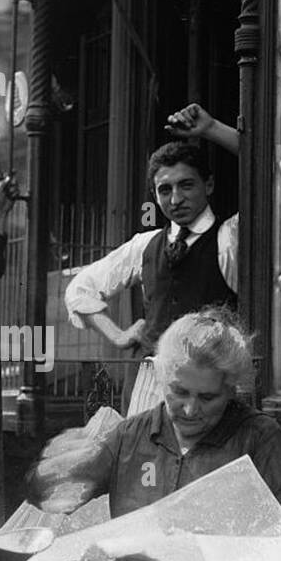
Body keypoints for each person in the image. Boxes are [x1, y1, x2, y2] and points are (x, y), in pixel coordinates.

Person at [27, 307, 281, 561]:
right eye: (179, 392)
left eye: (207, 397)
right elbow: (47, 495)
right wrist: (50, 471)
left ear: (232, 389)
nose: (189, 410)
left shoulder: (259, 438)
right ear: (161, 377)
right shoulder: (130, 435)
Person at [64, 126, 238, 415]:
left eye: (186, 185)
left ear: (208, 185)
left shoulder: (230, 237)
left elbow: (269, 165)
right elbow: (80, 288)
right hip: (150, 384)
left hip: (209, 386)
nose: (175, 199)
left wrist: (211, 128)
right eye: (164, 190)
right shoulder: (144, 245)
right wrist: (118, 335)